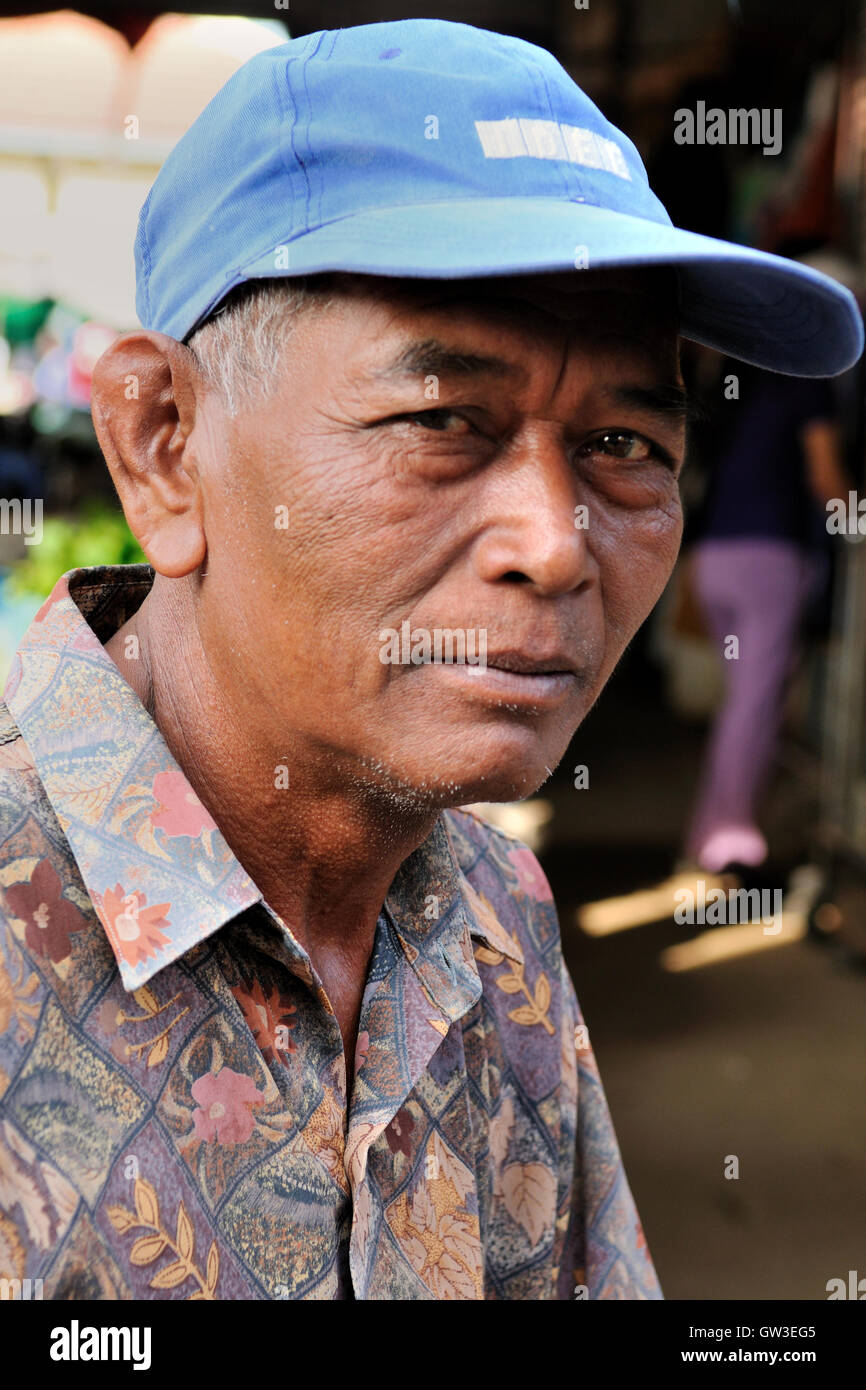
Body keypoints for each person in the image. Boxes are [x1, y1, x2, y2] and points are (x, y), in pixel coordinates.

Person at [0, 19, 860, 1302]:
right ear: (164, 447)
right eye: (442, 418)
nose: (553, 546)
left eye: (624, 441)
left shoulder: (496, 915)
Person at [683, 354, 851, 873]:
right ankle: (723, 846)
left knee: (745, 710)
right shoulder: (810, 380)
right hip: (769, 560)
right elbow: (827, 483)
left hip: (712, 559)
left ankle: (714, 840)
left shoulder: (744, 386)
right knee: (754, 712)